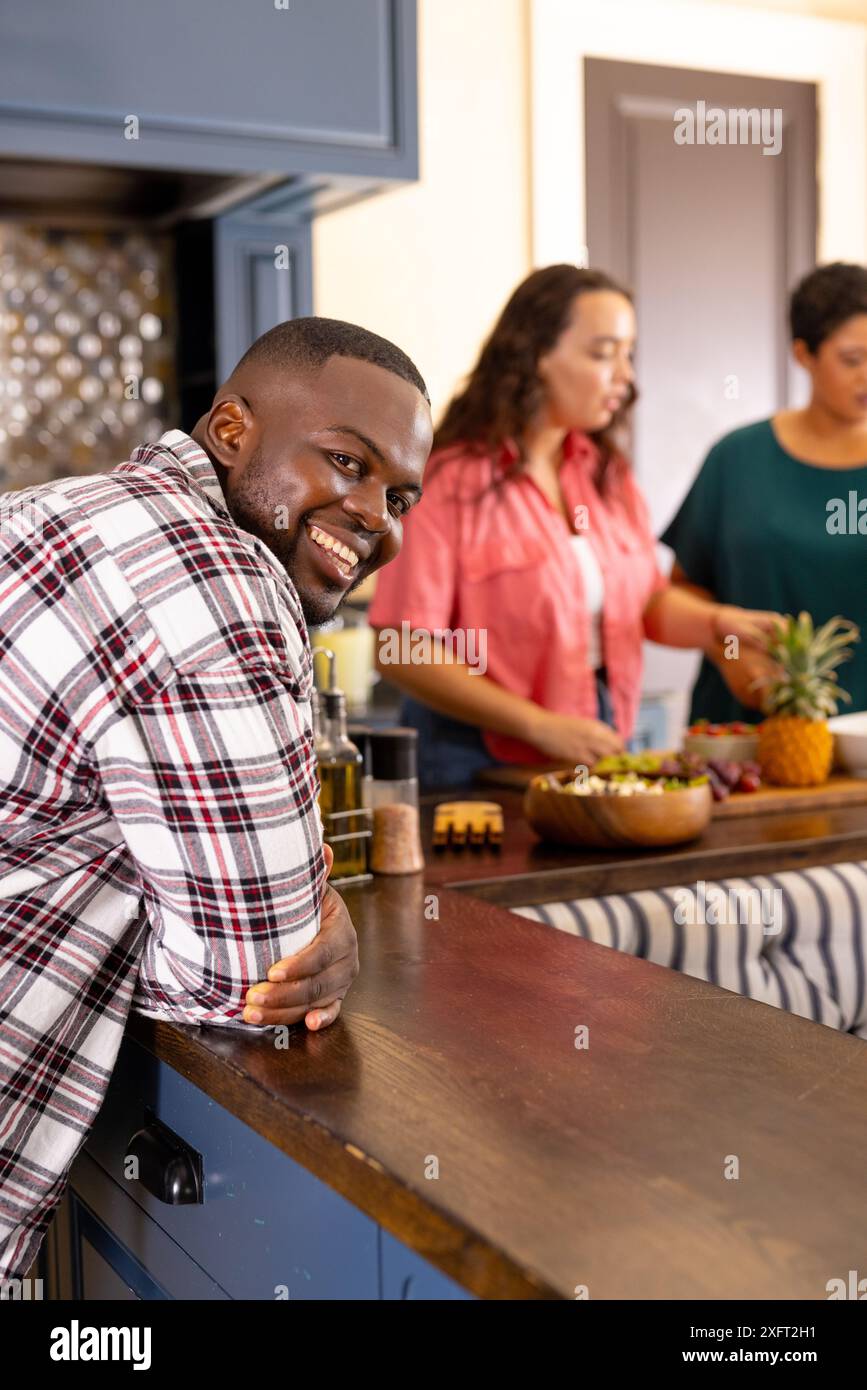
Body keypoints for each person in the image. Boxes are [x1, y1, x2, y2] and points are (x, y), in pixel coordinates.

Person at [0, 317, 432, 1278]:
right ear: (231, 430)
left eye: (399, 494)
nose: (378, 516)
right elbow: (248, 975)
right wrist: (317, 915)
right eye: (346, 463)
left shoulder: (51, 509)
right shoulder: (215, 579)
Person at [368, 265, 776, 789]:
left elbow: (645, 604)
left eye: (628, 354)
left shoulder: (607, 476)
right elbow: (402, 646)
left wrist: (718, 622)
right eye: (603, 354)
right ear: (536, 355)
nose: (626, 377)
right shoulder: (450, 480)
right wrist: (537, 726)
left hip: (595, 733)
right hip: (476, 760)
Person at [663, 261, 867, 723]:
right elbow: (677, 593)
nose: (866, 376)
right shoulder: (738, 459)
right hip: (743, 737)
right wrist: (724, 648)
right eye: (852, 360)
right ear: (804, 354)